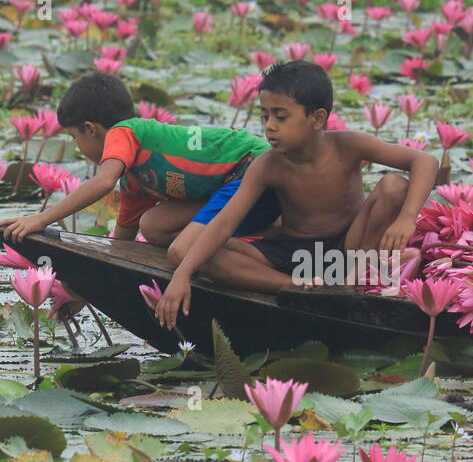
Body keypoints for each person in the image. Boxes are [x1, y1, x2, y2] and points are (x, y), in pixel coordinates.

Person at [154, 60, 438, 330]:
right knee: (209, 256)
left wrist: (407, 218)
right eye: (265, 116)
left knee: (393, 186)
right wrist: (183, 273)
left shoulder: (350, 144)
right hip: (294, 254)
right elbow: (225, 221)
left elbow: (425, 161)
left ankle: (352, 280)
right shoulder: (267, 164)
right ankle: (294, 285)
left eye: (281, 116)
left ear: (317, 119)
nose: (269, 126)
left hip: (350, 246)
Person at [0, 71, 279, 248]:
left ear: (91, 129)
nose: (77, 146)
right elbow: (120, 246)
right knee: (153, 226)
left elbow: (103, 182)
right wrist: (80, 296)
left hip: (251, 168)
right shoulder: (136, 180)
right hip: (229, 188)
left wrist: (42, 218)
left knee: (183, 246)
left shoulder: (126, 131)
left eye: (74, 137)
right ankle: (252, 237)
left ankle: (271, 235)